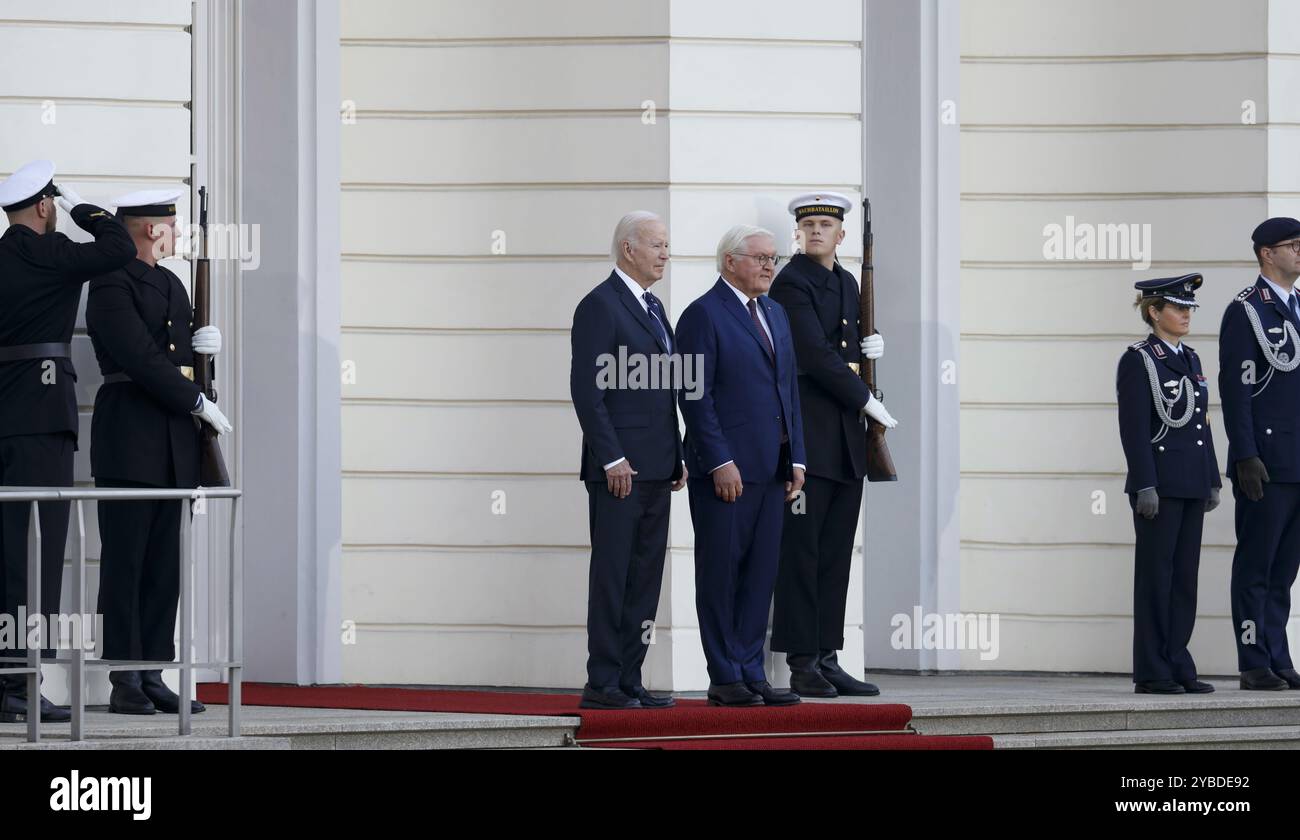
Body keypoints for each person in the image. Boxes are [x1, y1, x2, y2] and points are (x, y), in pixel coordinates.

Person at [85, 189, 232, 714]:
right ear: (151, 229)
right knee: (124, 563)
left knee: (163, 566)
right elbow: (141, 358)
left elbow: (180, 355)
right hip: (130, 434)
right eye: (171, 226)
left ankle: (152, 671)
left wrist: (204, 352)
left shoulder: (171, 283)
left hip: (172, 439)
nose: (178, 236)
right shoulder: (109, 282)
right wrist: (193, 397)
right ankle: (123, 678)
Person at [0, 160, 134, 723]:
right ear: (44, 206)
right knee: (39, 554)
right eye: (54, 204)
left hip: (4, 415)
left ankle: (9, 683)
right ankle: (22, 684)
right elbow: (118, 249)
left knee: (6, 553)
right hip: (40, 419)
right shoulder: (47, 253)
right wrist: (85, 207)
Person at [767, 192, 897, 697]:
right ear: (797, 234)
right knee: (802, 552)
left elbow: (847, 344)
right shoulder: (791, 283)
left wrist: (873, 340)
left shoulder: (846, 282)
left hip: (845, 440)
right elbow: (816, 356)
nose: (816, 231)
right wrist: (868, 400)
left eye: (826, 225)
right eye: (809, 225)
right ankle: (802, 662)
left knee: (836, 555)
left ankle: (828, 654)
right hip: (809, 436)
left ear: (842, 235)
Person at [676, 225, 805, 707]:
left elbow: (787, 390)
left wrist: (797, 458)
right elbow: (694, 395)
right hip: (724, 473)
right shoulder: (702, 315)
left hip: (772, 469)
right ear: (731, 261)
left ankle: (753, 670)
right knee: (721, 573)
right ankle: (724, 673)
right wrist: (719, 460)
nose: (770, 266)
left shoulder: (775, 313)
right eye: (761, 258)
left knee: (760, 575)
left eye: (774, 259)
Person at [569, 211, 686, 710]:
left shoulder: (656, 307)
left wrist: (679, 453)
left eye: (667, 246)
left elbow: (666, 393)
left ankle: (632, 679)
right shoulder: (600, 305)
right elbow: (587, 392)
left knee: (645, 577)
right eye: (657, 245)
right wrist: (611, 457)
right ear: (628, 250)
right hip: (619, 471)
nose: (665, 254)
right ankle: (603, 683)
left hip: (659, 466)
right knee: (613, 575)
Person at [1116, 274, 1220, 694]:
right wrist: (1144, 484)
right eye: (1178, 308)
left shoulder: (1191, 359)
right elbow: (1134, 429)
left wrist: (1211, 477)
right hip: (1158, 483)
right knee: (1156, 578)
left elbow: (1203, 425)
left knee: (1184, 579)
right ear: (1154, 312)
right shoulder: (1138, 359)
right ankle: (1152, 669)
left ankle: (1178, 660)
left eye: (1189, 308)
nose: (1186, 315)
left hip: (1190, 480)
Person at [1219, 217, 1300, 691]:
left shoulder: (1296, 308)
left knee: (1284, 569)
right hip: (1265, 462)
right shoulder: (1247, 311)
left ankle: (1278, 654)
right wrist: (1245, 453)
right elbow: (1236, 390)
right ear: (1266, 253)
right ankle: (1253, 659)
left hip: (1297, 461)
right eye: (1293, 245)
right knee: (1256, 565)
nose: (1299, 252)